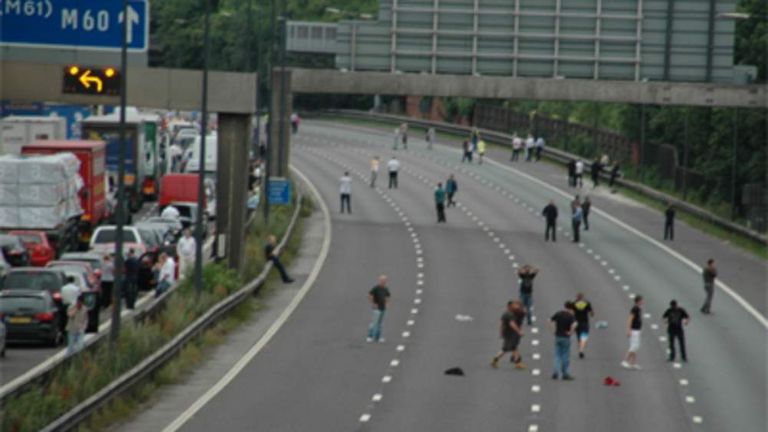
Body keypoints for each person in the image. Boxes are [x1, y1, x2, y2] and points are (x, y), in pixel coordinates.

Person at [491, 301, 526, 370]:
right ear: (509, 306)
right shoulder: (508, 314)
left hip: (510, 333)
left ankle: (518, 363)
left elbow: (502, 323)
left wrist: (501, 332)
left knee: (514, 347)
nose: (516, 306)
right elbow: (511, 324)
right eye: (514, 305)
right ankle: (495, 360)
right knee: (506, 349)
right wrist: (519, 332)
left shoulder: (509, 313)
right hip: (510, 334)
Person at [550, 302, 577, 380]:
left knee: (557, 355)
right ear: (571, 309)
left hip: (558, 336)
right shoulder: (570, 316)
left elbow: (549, 320)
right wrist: (571, 332)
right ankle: (565, 373)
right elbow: (575, 324)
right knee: (565, 356)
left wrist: (553, 330)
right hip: (566, 337)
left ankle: (555, 372)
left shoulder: (559, 314)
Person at [622, 295, 644, 370]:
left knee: (635, 346)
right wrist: (628, 330)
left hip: (637, 330)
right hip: (634, 330)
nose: (643, 301)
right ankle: (625, 360)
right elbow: (630, 319)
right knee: (634, 346)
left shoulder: (638, 309)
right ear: (638, 301)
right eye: (642, 300)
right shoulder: (635, 309)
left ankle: (633, 363)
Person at [367, 275, 391, 343]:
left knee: (380, 323)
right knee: (374, 323)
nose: (383, 282)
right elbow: (370, 295)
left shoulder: (385, 289)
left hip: (383, 308)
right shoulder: (376, 288)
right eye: (382, 281)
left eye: (384, 281)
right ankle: (370, 336)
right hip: (377, 308)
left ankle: (378, 337)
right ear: (379, 281)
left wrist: (386, 304)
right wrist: (373, 303)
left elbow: (388, 296)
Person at [572, 293, 594, 359]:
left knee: (579, 337)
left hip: (576, 323)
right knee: (584, 337)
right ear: (582, 297)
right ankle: (581, 350)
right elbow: (591, 313)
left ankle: (580, 349)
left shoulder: (574, 303)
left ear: (577, 297)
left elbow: (572, 313)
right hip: (584, 322)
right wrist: (591, 314)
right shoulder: (587, 303)